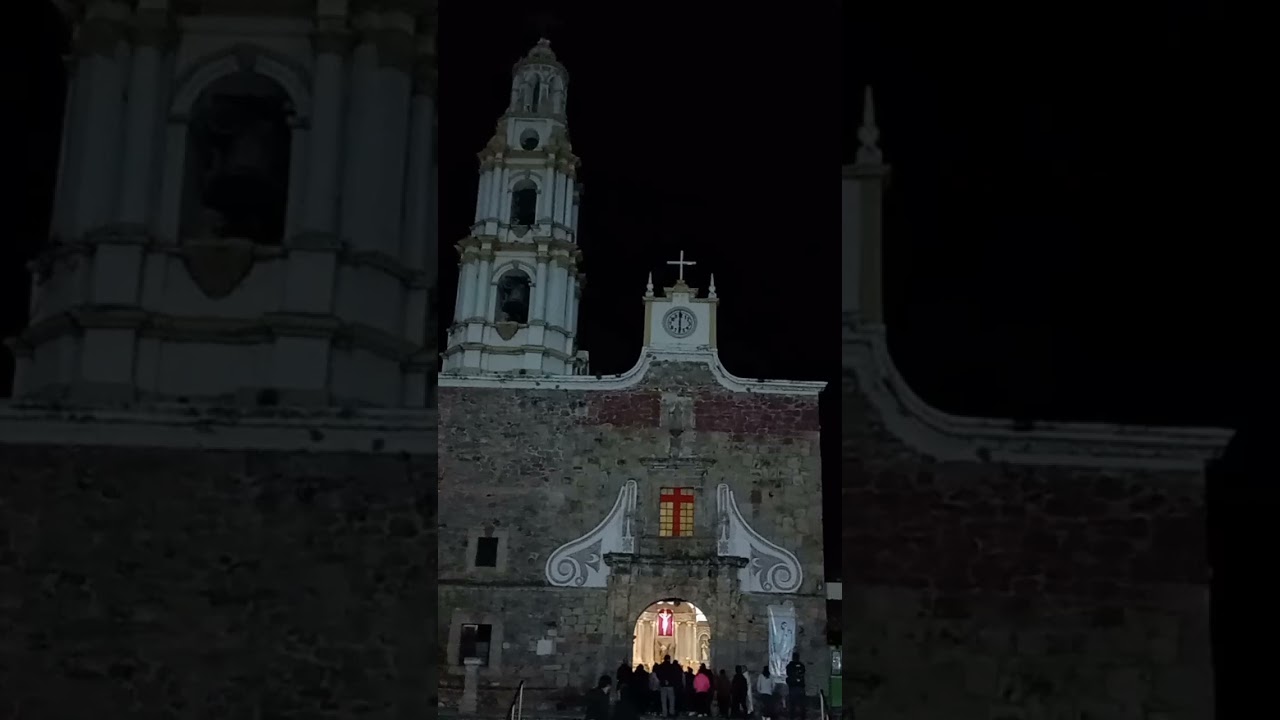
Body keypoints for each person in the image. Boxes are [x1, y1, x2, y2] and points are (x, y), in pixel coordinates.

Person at [784, 652, 806, 720]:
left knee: (798, 705)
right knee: (794, 705)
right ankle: (795, 717)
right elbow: (789, 674)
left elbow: (802, 673)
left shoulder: (796, 665)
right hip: (795, 687)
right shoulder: (791, 666)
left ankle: (798, 717)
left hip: (797, 687)